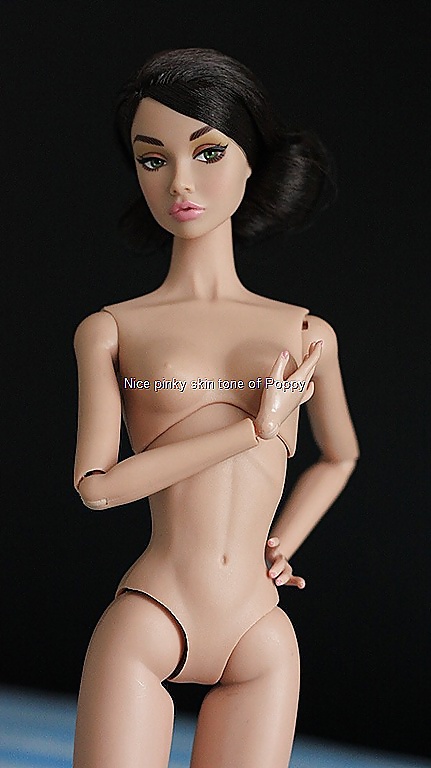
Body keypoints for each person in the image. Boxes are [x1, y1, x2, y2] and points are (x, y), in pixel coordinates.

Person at [72, 48, 359, 768]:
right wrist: (252, 429)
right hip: (153, 614)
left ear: (251, 160)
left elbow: (340, 455)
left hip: (258, 627)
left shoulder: (306, 332)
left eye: (207, 152)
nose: (180, 182)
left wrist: (281, 545)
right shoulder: (111, 330)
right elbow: (97, 488)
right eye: (153, 159)